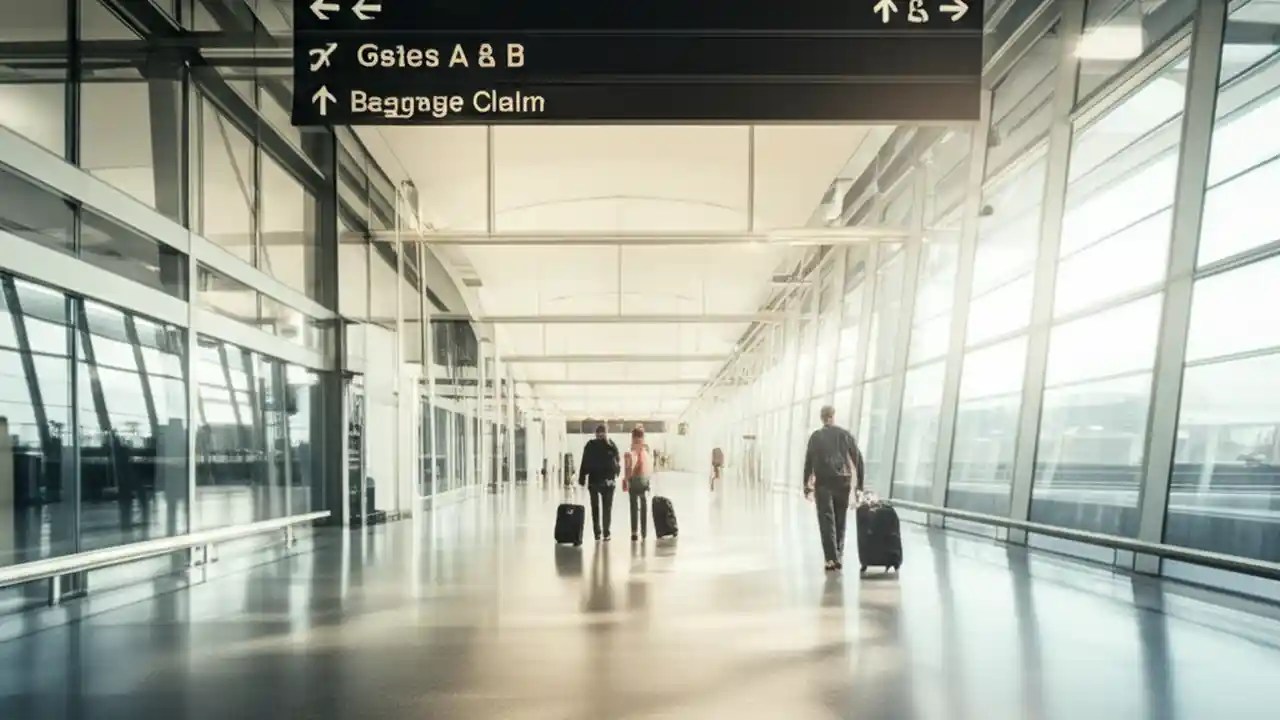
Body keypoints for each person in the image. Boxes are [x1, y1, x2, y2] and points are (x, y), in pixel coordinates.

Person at [803, 405, 865, 572]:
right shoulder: (844, 435)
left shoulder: (815, 437)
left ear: (822, 418)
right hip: (843, 482)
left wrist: (806, 485)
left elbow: (808, 461)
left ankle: (830, 558)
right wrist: (859, 485)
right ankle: (838, 554)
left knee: (826, 519)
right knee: (840, 518)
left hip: (823, 482)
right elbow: (858, 459)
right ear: (833, 416)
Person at [578, 424, 621, 541]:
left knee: (595, 508)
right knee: (607, 509)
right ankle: (606, 532)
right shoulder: (611, 445)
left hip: (594, 482)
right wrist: (616, 474)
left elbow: (584, 462)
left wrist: (582, 478)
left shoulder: (591, 445)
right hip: (608, 482)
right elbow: (617, 462)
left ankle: (597, 533)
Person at [623, 426, 653, 542]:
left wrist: (626, 480)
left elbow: (628, 467)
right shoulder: (646, 451)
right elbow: (649, 467)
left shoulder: (630, 452)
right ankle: (644, 532)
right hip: (644, 479)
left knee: (633, 506)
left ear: (632, 437)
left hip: (634, 480)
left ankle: (634, 532)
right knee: (644, 506)